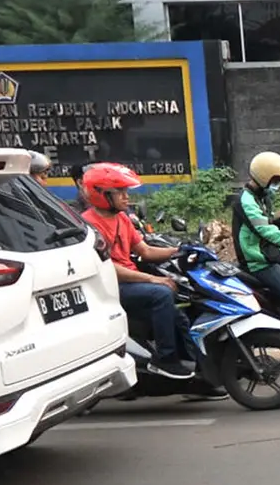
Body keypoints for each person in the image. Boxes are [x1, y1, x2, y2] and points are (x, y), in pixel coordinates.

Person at [77, 163, 195, 384]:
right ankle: (164, 359)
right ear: (102, 195)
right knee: (161, 294)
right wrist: (153, 279)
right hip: (111, 287)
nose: (126, 197)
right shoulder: (89, 225)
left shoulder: (122, 218)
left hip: (129, 281)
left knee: (179, 314)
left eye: (126, 192)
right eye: (120, 192)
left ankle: (196, 374)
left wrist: (180, 250)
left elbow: (145, 251)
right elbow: (108, 267)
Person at [229, 151, 280, 323]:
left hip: (271, 256)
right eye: (276, 181)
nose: (277, 185)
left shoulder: (262, 198)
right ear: (264, 177)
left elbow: (266, 225)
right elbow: (264, 231)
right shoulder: (246, 201)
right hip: (258, 262)